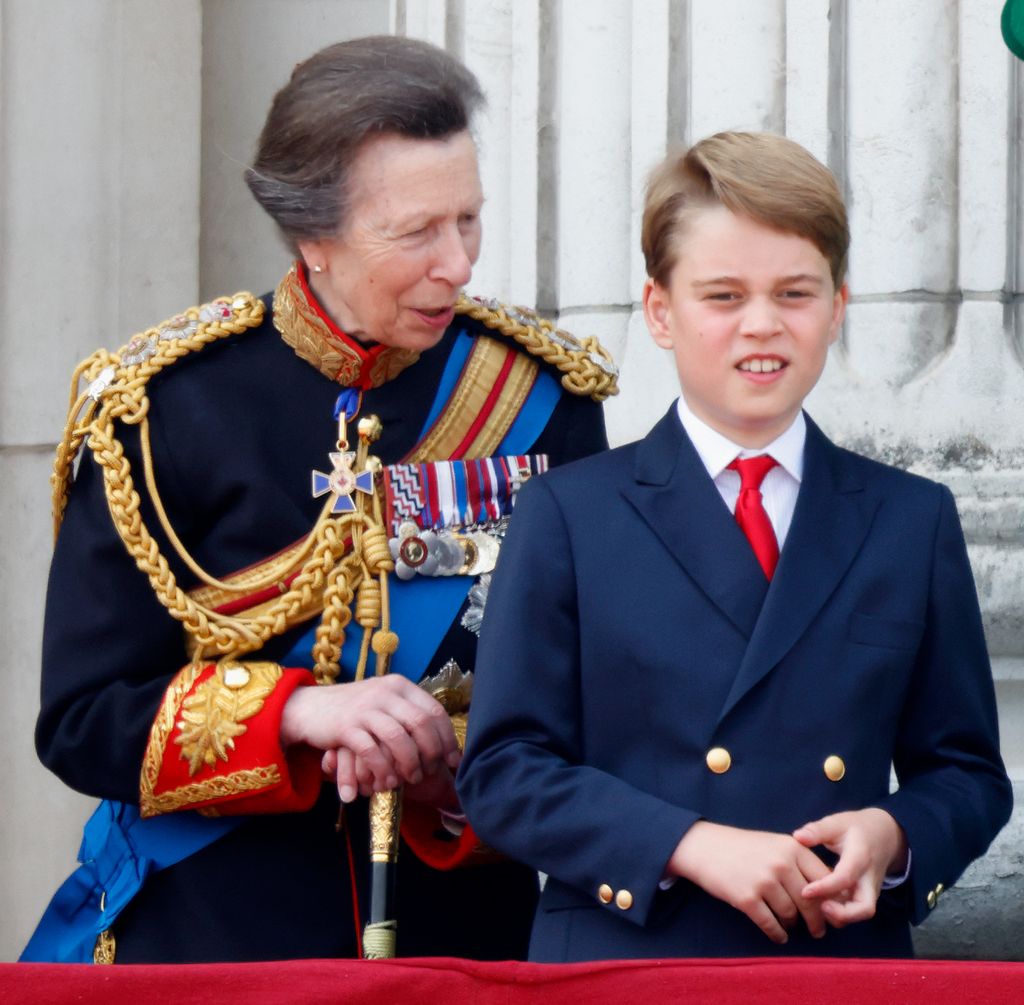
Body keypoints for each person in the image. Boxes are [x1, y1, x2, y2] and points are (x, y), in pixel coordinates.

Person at [23, 35, 616, 965]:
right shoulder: (161, 407)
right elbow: (82, 719)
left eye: (469, 220)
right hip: (216, 942)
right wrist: (296, 714)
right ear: (313, 233)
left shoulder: (542, 402)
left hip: (462, 940)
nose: (457, 264)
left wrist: (449, 773)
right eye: (416, 231)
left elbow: (597, 698)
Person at [456, 131, 1013, 961]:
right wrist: (687, 842)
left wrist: (893, 832)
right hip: (629, 962)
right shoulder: (569, 513)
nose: (764, 325)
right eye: (723, 296)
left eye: (795, 292)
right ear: (660, 311)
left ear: (837, 306)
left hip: (835, 962)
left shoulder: (909, 518)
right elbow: (502, 772)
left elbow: (968, 773)